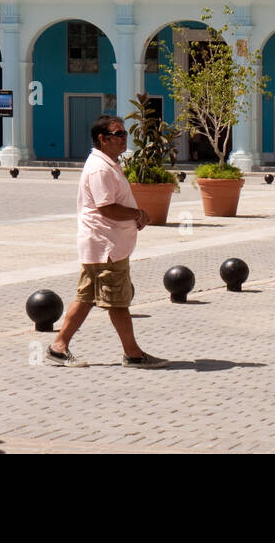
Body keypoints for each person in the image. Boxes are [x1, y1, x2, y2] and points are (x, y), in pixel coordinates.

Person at [45, 114, 168, 368]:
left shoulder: (107, 163)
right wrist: (138, 214)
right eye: (118, 134)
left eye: (125, 133)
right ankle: (133, 354)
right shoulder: (101, 168)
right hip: (106, 247)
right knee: (118, 302)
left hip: (102, 245)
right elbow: (107, 208)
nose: (124, 138)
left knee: (87, 297)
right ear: (102, 139)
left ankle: (58, 347)